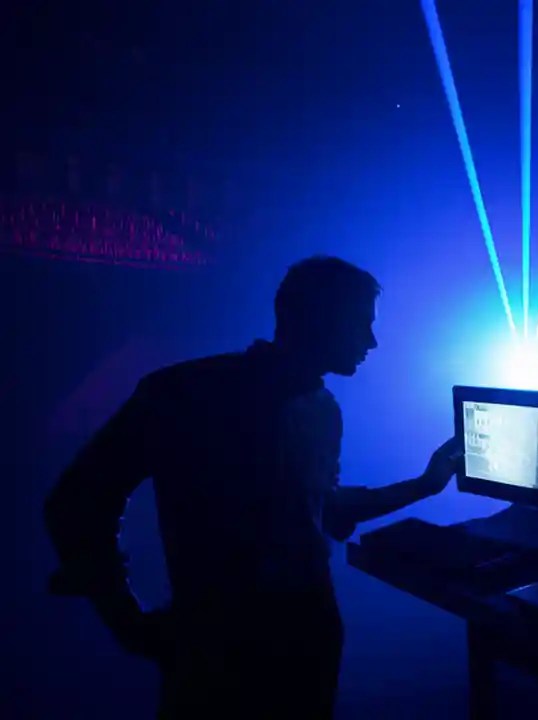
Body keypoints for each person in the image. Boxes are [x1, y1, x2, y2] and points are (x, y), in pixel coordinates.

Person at [44, 256, 459, 718]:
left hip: (299, 647)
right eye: (360, 324)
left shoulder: (315, 407)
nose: (371, 341)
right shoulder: (187, 394)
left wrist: (425, 484)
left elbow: (319, 509)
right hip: (226, 658)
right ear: (318, 318)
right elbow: (78, 500)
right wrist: (126, 622)